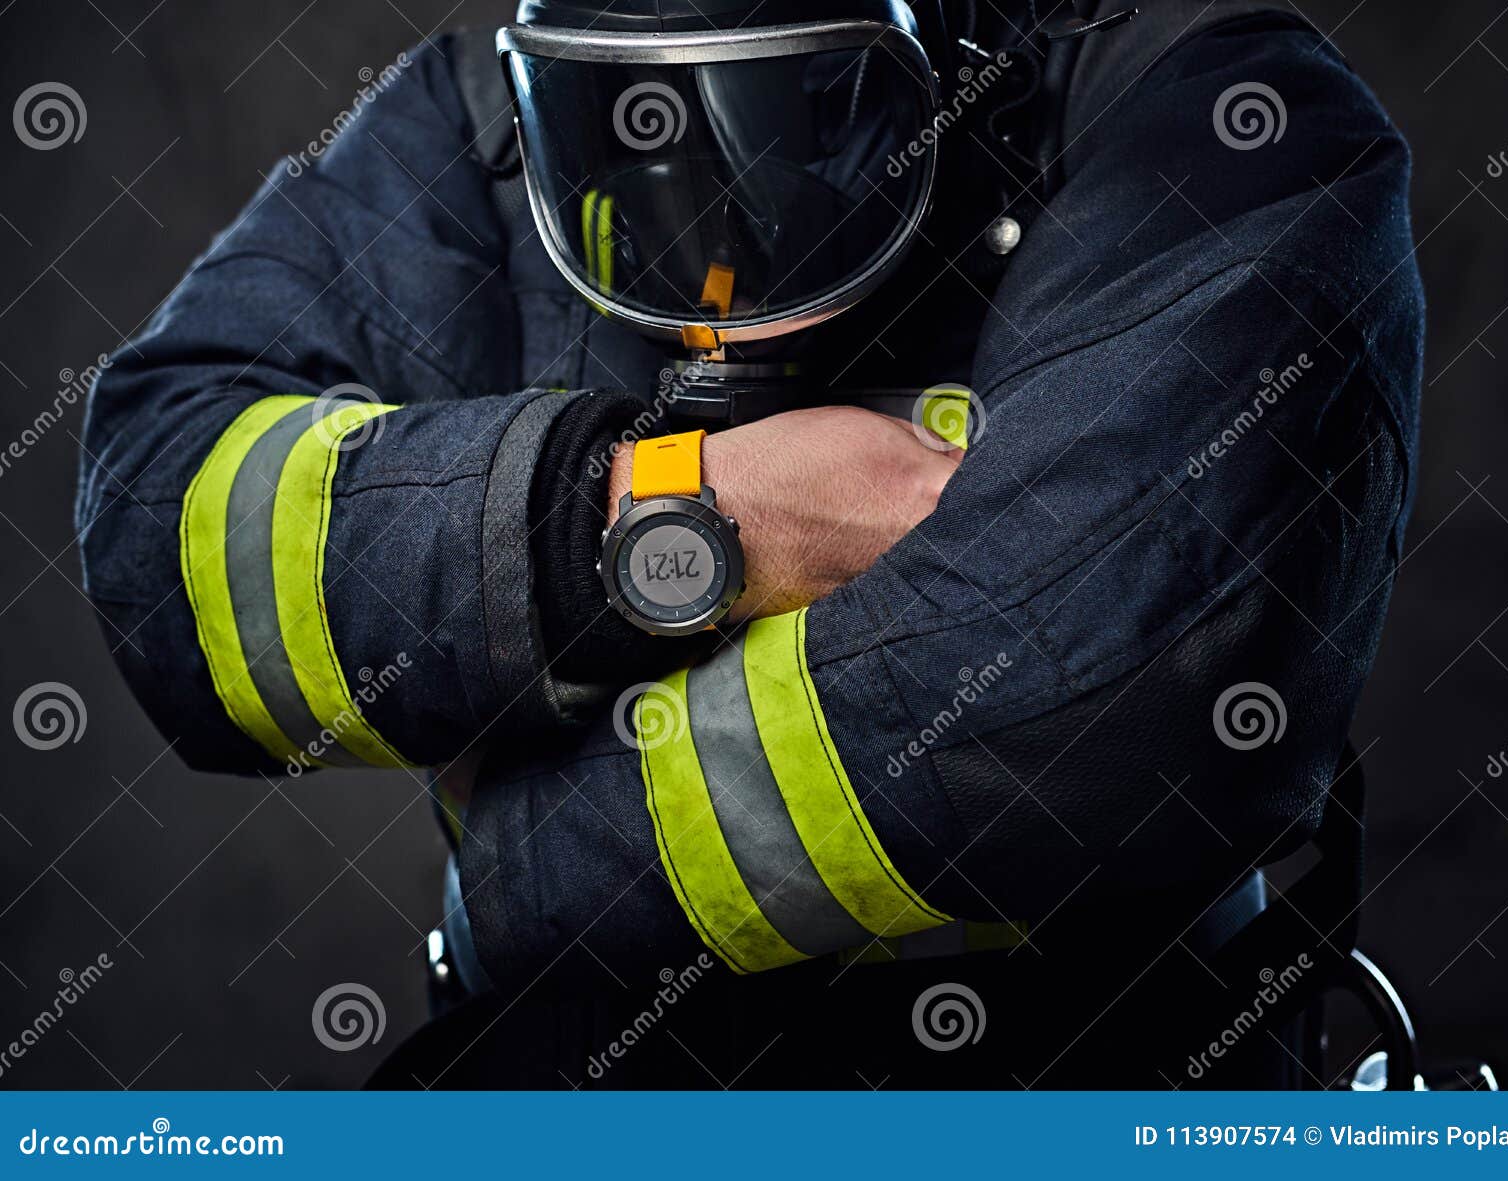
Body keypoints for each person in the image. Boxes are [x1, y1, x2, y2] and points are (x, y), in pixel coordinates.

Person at [75, 0, 1422, 1087]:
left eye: (808, 120)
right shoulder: (475, 122)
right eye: (635, 136)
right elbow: (166, 529)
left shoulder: (1215, 112)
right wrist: (696, 514)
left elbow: (1102, 706)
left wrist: (521, 863)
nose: (721, 258)